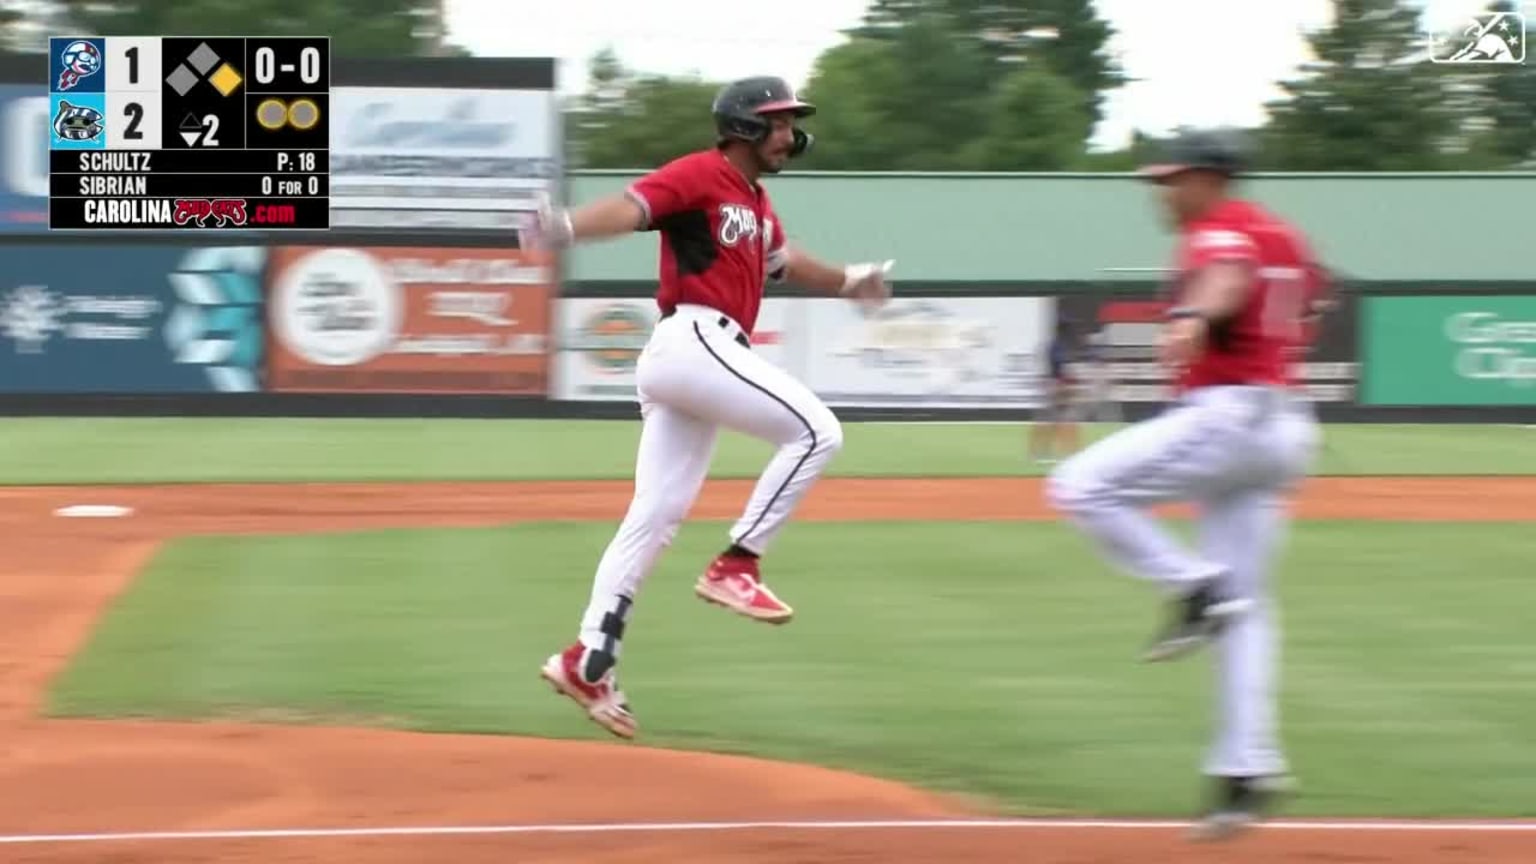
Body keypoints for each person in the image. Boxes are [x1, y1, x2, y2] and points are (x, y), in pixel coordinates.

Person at [527, 76, 894, 740]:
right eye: (778, 122)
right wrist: (567, 227)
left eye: (791, 123)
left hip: (695, 357)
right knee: (817, 432)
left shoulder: (756, 199)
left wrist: (850, 279)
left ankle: (589, 657)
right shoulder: (701, 173)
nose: (789, 133)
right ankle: (737, 563)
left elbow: (786, 261)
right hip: (693, 337)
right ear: (746, 126)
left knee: (655, 517)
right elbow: (634, 206)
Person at [1044, 127, 1325, 841]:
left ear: (1211, 177)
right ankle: (1245, 772)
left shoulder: (1218, 231)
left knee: (1080, 485)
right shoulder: (1284, 235)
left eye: (1171, 179)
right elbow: (1314, 301)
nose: (1161, 192)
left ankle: (1195, 585)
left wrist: (1199, 313)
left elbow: (1226, 276)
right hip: (1285, 425)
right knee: (1249, 609)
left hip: (1229, 412)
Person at [1028, 315, 1082, 463]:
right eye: (1070, 329)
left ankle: (1043, 452)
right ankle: (1039, 452)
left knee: (1056, 420)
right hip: (1057, 385)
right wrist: (1068, 384)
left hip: (1054, 384)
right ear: (1064, 330)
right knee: (1055, 419)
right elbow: (1060, 367)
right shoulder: (1058, 345)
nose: (1072, 331)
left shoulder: (1055, 344)